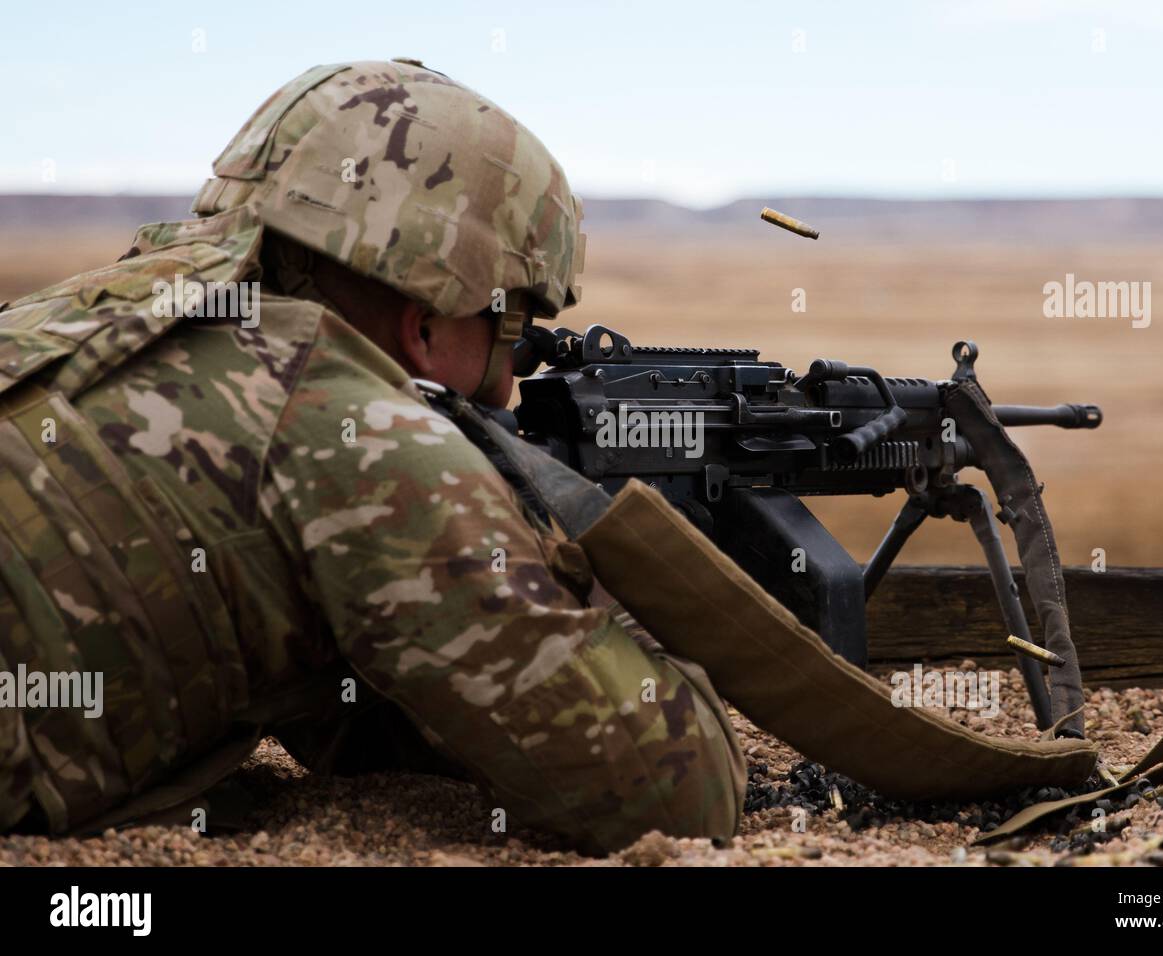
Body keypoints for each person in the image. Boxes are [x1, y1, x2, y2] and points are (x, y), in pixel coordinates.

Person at [0, 59, 745, 853]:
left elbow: (369, 715)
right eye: (514, 340)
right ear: (425, 323)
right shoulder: (354, 429)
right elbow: (676, 797)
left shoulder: (85, 317)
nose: (503, 396)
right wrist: (603, 582)